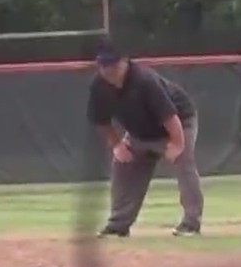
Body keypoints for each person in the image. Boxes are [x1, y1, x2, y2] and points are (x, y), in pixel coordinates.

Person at [88, 41, 205, 238]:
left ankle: (191, 223)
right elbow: (100, 120)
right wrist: (116, 144)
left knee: (183, 161)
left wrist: (177, 144)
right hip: (139, 133)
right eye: (103, 65)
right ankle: (118, 225)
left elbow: (170, 116)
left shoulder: (144, 80)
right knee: (122, 165)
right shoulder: (99, 86)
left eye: (113, 64)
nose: (108, 70)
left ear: (125, 61)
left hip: (177, 124)